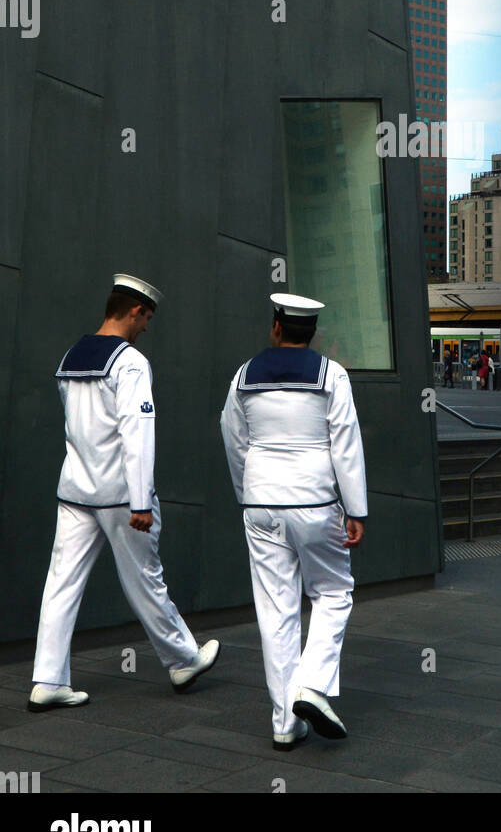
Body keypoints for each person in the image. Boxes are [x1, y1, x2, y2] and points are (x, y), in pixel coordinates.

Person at [30, 275, 219, 713]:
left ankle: (47, 679)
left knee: (60, 585)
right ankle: (184, 659)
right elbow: (137, 431)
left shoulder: (71, 354)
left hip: (75, 490)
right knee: (144, 581)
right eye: (147, 318)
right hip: (119, 495)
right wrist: (140, 501)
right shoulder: (130, 362)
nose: (147, 327)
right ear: (135, 311)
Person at [220, 292, 367, 751]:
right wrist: (356, 508)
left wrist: (249, 489)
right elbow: (345, 442)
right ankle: (312, 686)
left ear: (276, 328)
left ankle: (285, 721)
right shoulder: (331, 375)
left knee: (276, 609)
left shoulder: (244, 376)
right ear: (313, 334)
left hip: (261, 502)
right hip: (316, 501)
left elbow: (232, 435)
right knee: (333, 592)